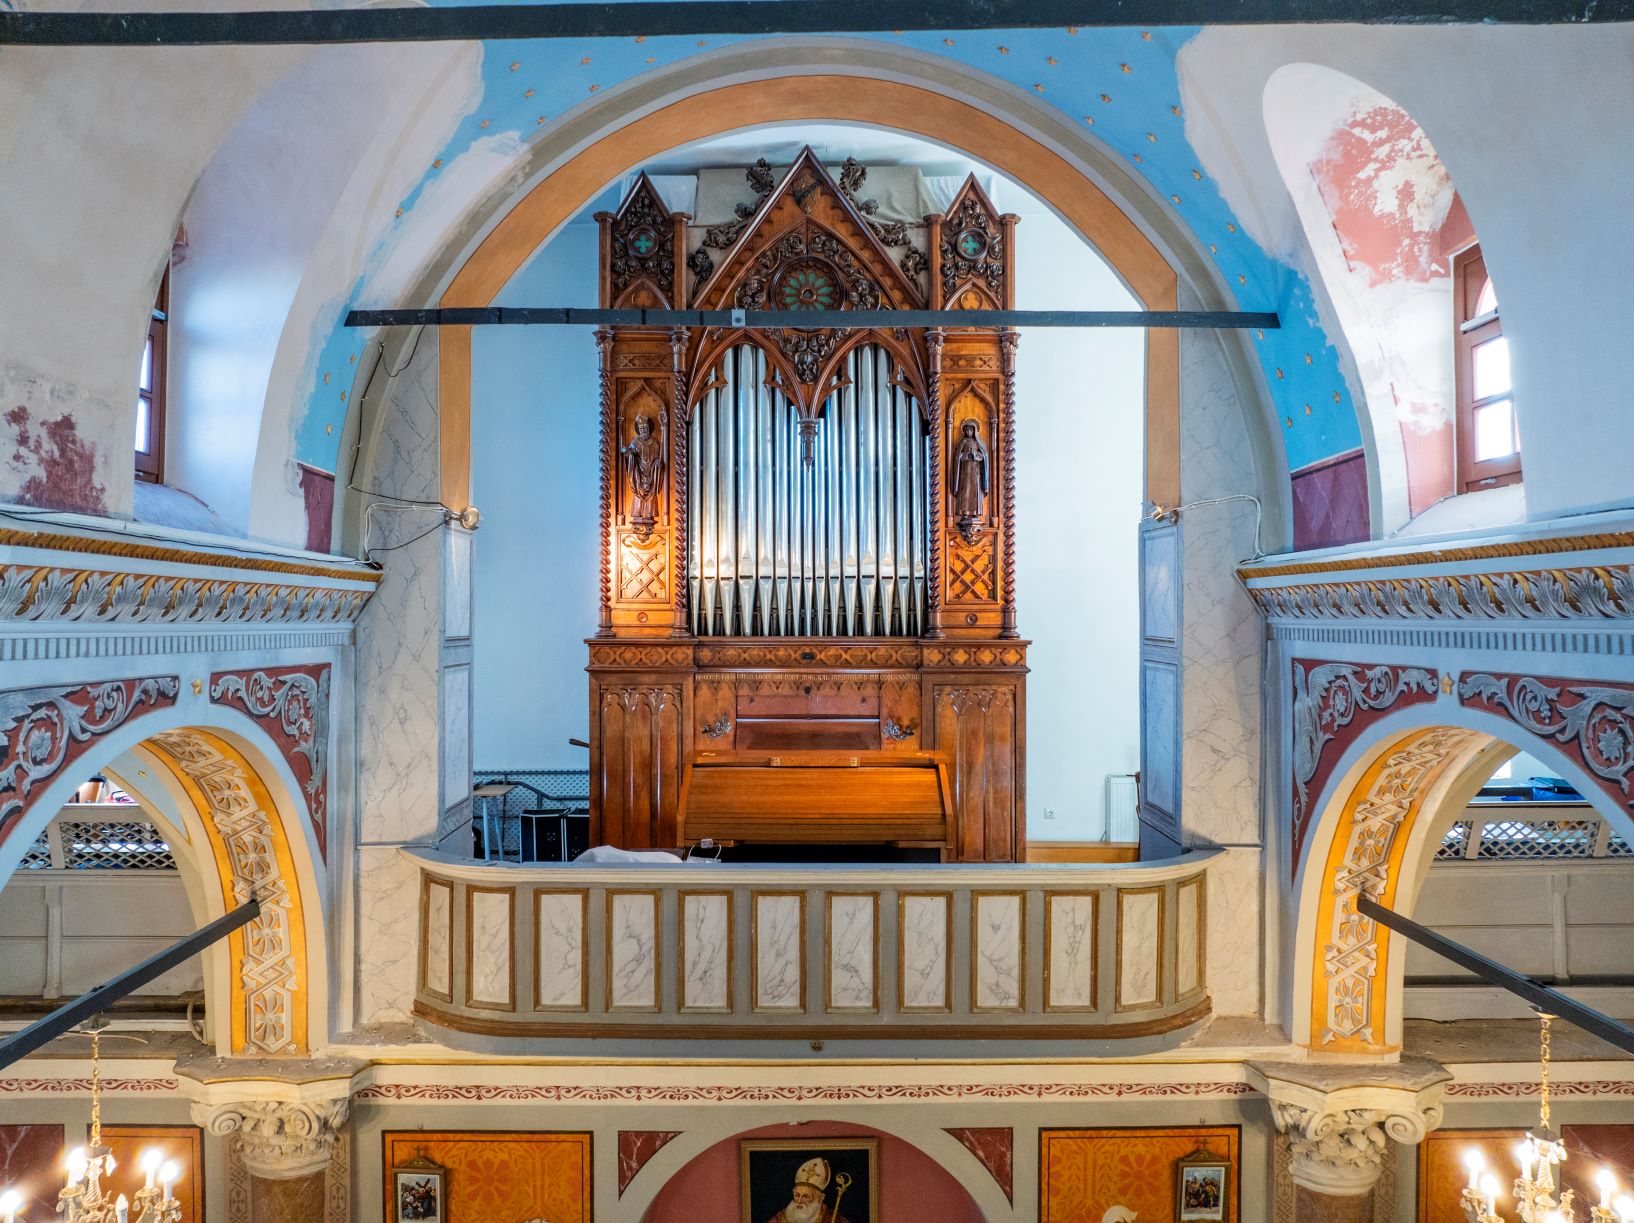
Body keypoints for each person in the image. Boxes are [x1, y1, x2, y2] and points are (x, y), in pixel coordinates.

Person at [765, 1157, 852, 1223]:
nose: (799, 1201)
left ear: (820, 1198)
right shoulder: (779, 1219)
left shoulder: (834, 1219)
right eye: (797, 1195)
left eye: (806, 1196)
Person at [621, 411, 666, 533]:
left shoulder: (655, 442)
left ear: (649, 428)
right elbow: (630, 454)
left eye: (645, 428)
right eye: (641, 428)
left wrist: (658, 463)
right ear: (638, 429)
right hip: (639, 474)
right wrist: (628, 453)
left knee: (651, 495)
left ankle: (649, 514)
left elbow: (658, 457)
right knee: (638, 494)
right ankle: (638, 513)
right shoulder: (635, 441)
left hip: (651, 472)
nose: (643, 430)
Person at [950, 418, 988, 540]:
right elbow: (957, 457)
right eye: (967, 430)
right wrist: (964, 456)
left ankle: (975, 513)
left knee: (975, 493)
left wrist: (976, 455)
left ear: (975, 431)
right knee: (965, 491)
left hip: (975, 473)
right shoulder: (963, 442)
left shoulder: (978, 443)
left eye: (971, 430)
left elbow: (984, 457)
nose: (969, 432)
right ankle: (965, 513)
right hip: (965, 473)